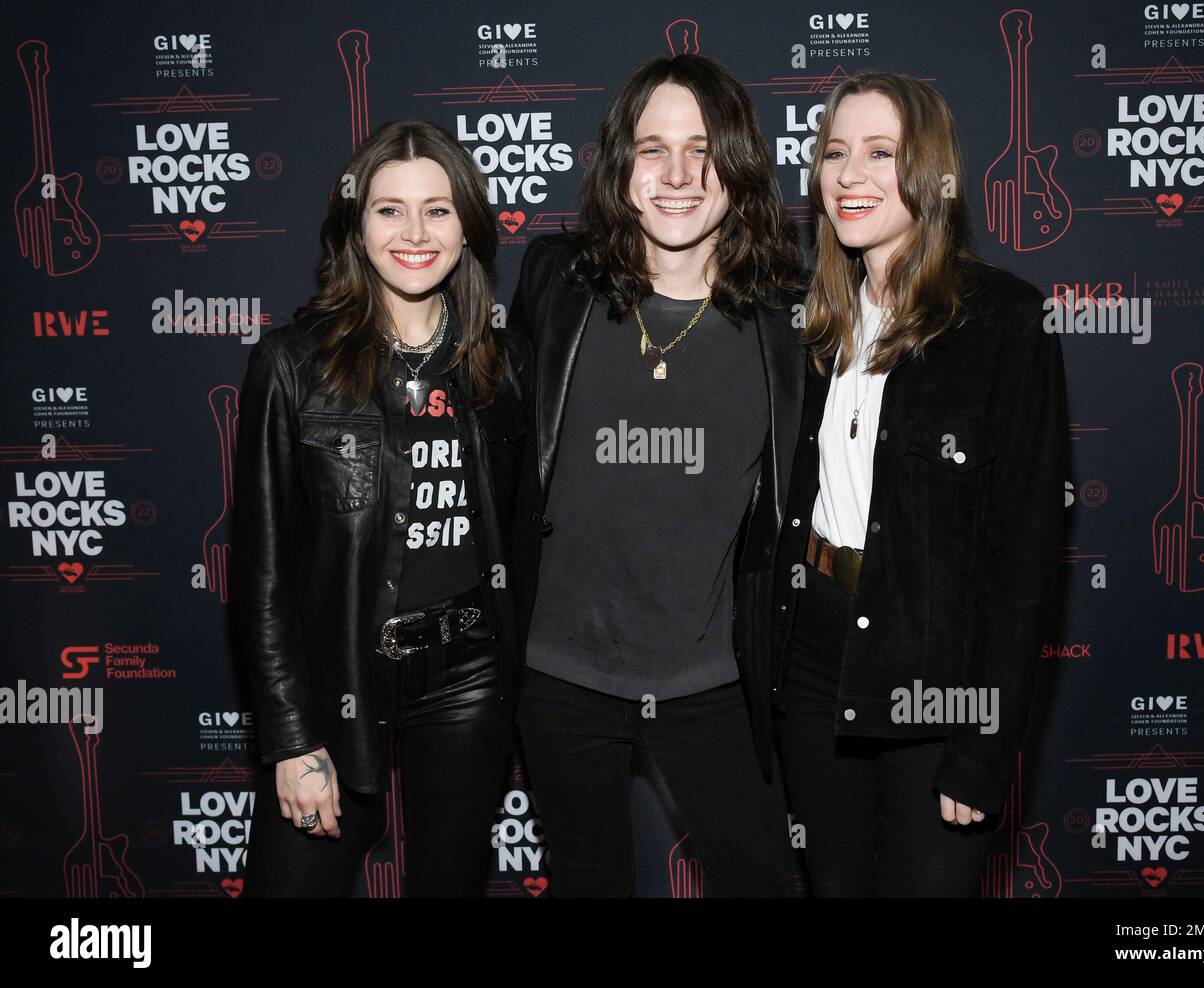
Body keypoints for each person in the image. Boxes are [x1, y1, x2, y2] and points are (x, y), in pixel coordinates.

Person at [508, 54, 806, 896]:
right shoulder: (555, 284)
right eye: (652, 148)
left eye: (702, 148)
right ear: (619, 167)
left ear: (739, 166)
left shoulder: (789, 320)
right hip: (562, 677)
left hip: (714, 683)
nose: (678, 174)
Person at [768, 72, 1068, 896]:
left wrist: (986, 746)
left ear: (931, 174)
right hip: (815, 663)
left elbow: (1025, 565)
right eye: (835, 153)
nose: (851, 176)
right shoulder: (808, 326)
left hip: (940, 682)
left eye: (880, 154)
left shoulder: (1006, 322)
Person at [231, 119, 530, 897]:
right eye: (389, 209)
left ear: (467, 228)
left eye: (437, 209)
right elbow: (261, 576)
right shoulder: (292, 365)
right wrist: (292, 739)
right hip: (338, 669)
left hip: (469, 671)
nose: (415, 232)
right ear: (355, 229)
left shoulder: (500, 365)